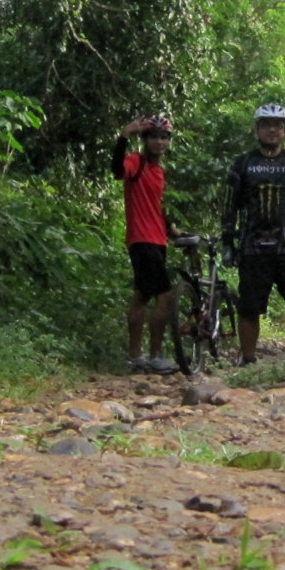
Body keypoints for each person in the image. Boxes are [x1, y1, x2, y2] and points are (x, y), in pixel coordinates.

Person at [220, 104, 285, 363]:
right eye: (266, 124)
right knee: (249, 306)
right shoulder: (242, 163)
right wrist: (227, 241)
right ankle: (248, 357)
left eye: (277, 125)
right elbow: (228, 204)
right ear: (257, 129)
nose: (272, 129)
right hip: (252, 243)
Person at [111, 113, 179, 374]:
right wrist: (123, 137)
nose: (159, 142)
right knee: (165, 297)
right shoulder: (136, 162)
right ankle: (155, 356)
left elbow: (159, 206)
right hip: (142, 239)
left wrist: (172, 229)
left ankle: (134, 356)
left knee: (141, 296)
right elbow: (117, 170)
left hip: (158, 240)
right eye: (153, 137)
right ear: (145, 140)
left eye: (163, 138)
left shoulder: (159, 171)